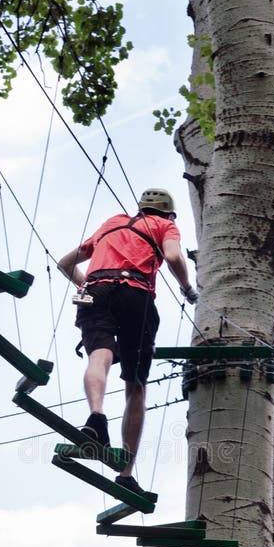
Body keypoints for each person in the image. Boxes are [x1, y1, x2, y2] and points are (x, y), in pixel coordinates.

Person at [57, 187, 198, 497]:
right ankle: (126, 473)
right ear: (168, 213)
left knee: (99, 356)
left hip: (95, 291)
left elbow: (64, 264)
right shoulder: (164, 225)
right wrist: (187, 288)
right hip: (136, 294)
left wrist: (90, 285)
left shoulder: (113, 223)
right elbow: (173, 255)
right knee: (135, 385)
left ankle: (95, 417)